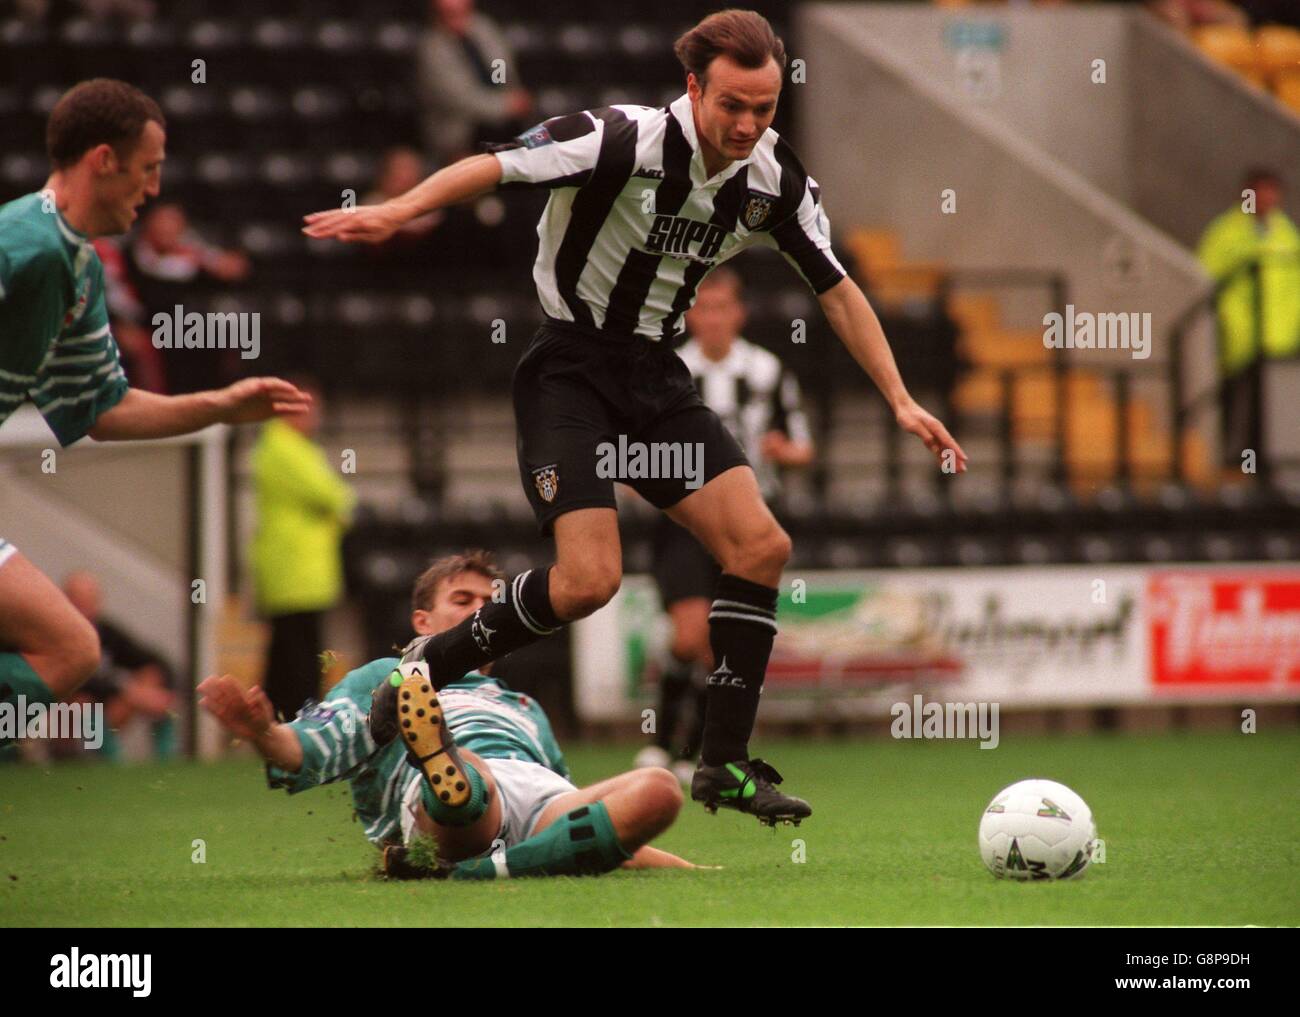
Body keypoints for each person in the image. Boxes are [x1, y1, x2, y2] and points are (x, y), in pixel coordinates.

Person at [304, 10, 967, 827]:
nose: (748, 124)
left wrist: (899, 397)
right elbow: (495, 164)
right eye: (732, 105)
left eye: (764, 108)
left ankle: (720, 762)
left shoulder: (774, 181)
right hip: (571, 373)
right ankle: (424, 667)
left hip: (656, 379)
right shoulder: (618, 139)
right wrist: (398, 208)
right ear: (693, 87)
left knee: (762, 545)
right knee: (590, 581)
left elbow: (835, 287)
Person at [0, 78, 311, 727]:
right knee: (69, 646)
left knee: (71, 647)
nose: (154, 189)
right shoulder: (21, 244)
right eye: (147, 169)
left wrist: (221, 405)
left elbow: (103, 409)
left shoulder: (78, 265)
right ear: (102, 161)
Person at [198, 551, 696, 880]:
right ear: (422, 622)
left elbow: (583, 833)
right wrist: (265, 732)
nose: (482, 613)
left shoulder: (524, 707)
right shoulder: (385, 677)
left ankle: (477, 867)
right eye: (463, 601)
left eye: (492, 604)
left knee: (659, 788)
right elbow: (308, 748)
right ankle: (442, 761)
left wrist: (688, 869)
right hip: (446, 801)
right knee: (467, 782)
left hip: (540, 800)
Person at [635, 266, 814, 783]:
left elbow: (802, 443)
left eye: (722, 307)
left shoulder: (767, 370)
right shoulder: (670, 369)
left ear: (739, 312)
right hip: (684, 518)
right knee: (689, 635)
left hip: (749, 518)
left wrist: (787, 452)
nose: (712, 318)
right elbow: (637, 441)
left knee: (720, 644)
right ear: (690, 313)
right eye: (703, 307)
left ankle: (694, 750)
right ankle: (659, 740)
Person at [249, 379, 355, 722]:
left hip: (297, 569)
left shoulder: (285, 446)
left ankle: (272, 720)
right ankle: (301, 720)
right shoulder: (284, 447)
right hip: (295, 569)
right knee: (300, 653)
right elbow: (332, 495)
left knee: (286, 650)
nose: (315, 415)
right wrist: (337, 508)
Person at [1197, 168, 1300, 465]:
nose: (1266, 198)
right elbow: (1206, 279)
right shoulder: (1225, 232)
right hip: (1241, 335)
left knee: (1274, 408)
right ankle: (1235, 462)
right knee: (1238, 404)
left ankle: (1269, 463)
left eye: (1272, 191)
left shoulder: (1286, 233)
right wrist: (1230, 321)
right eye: (1260, 191)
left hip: (1279, 335)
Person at [63, 571, 176, 761]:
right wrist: (127, 691)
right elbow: (74, 680)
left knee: (151, 680)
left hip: (107, 704)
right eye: (77, 601)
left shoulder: (107, 633)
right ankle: (105, 760)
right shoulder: (59, 636)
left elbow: (154, 660)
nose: (83, 609)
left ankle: (167, 762)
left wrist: (149, 688)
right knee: (82, 704)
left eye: (88, 601)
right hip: (65, 711)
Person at [416, 0, 534, 167]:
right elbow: (459, 99)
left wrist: (503, 92)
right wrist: (503, 106)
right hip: (460, 129)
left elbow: (500, 65)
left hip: (500, 118)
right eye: (450, 14)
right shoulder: (432, 48)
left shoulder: (483, 28)